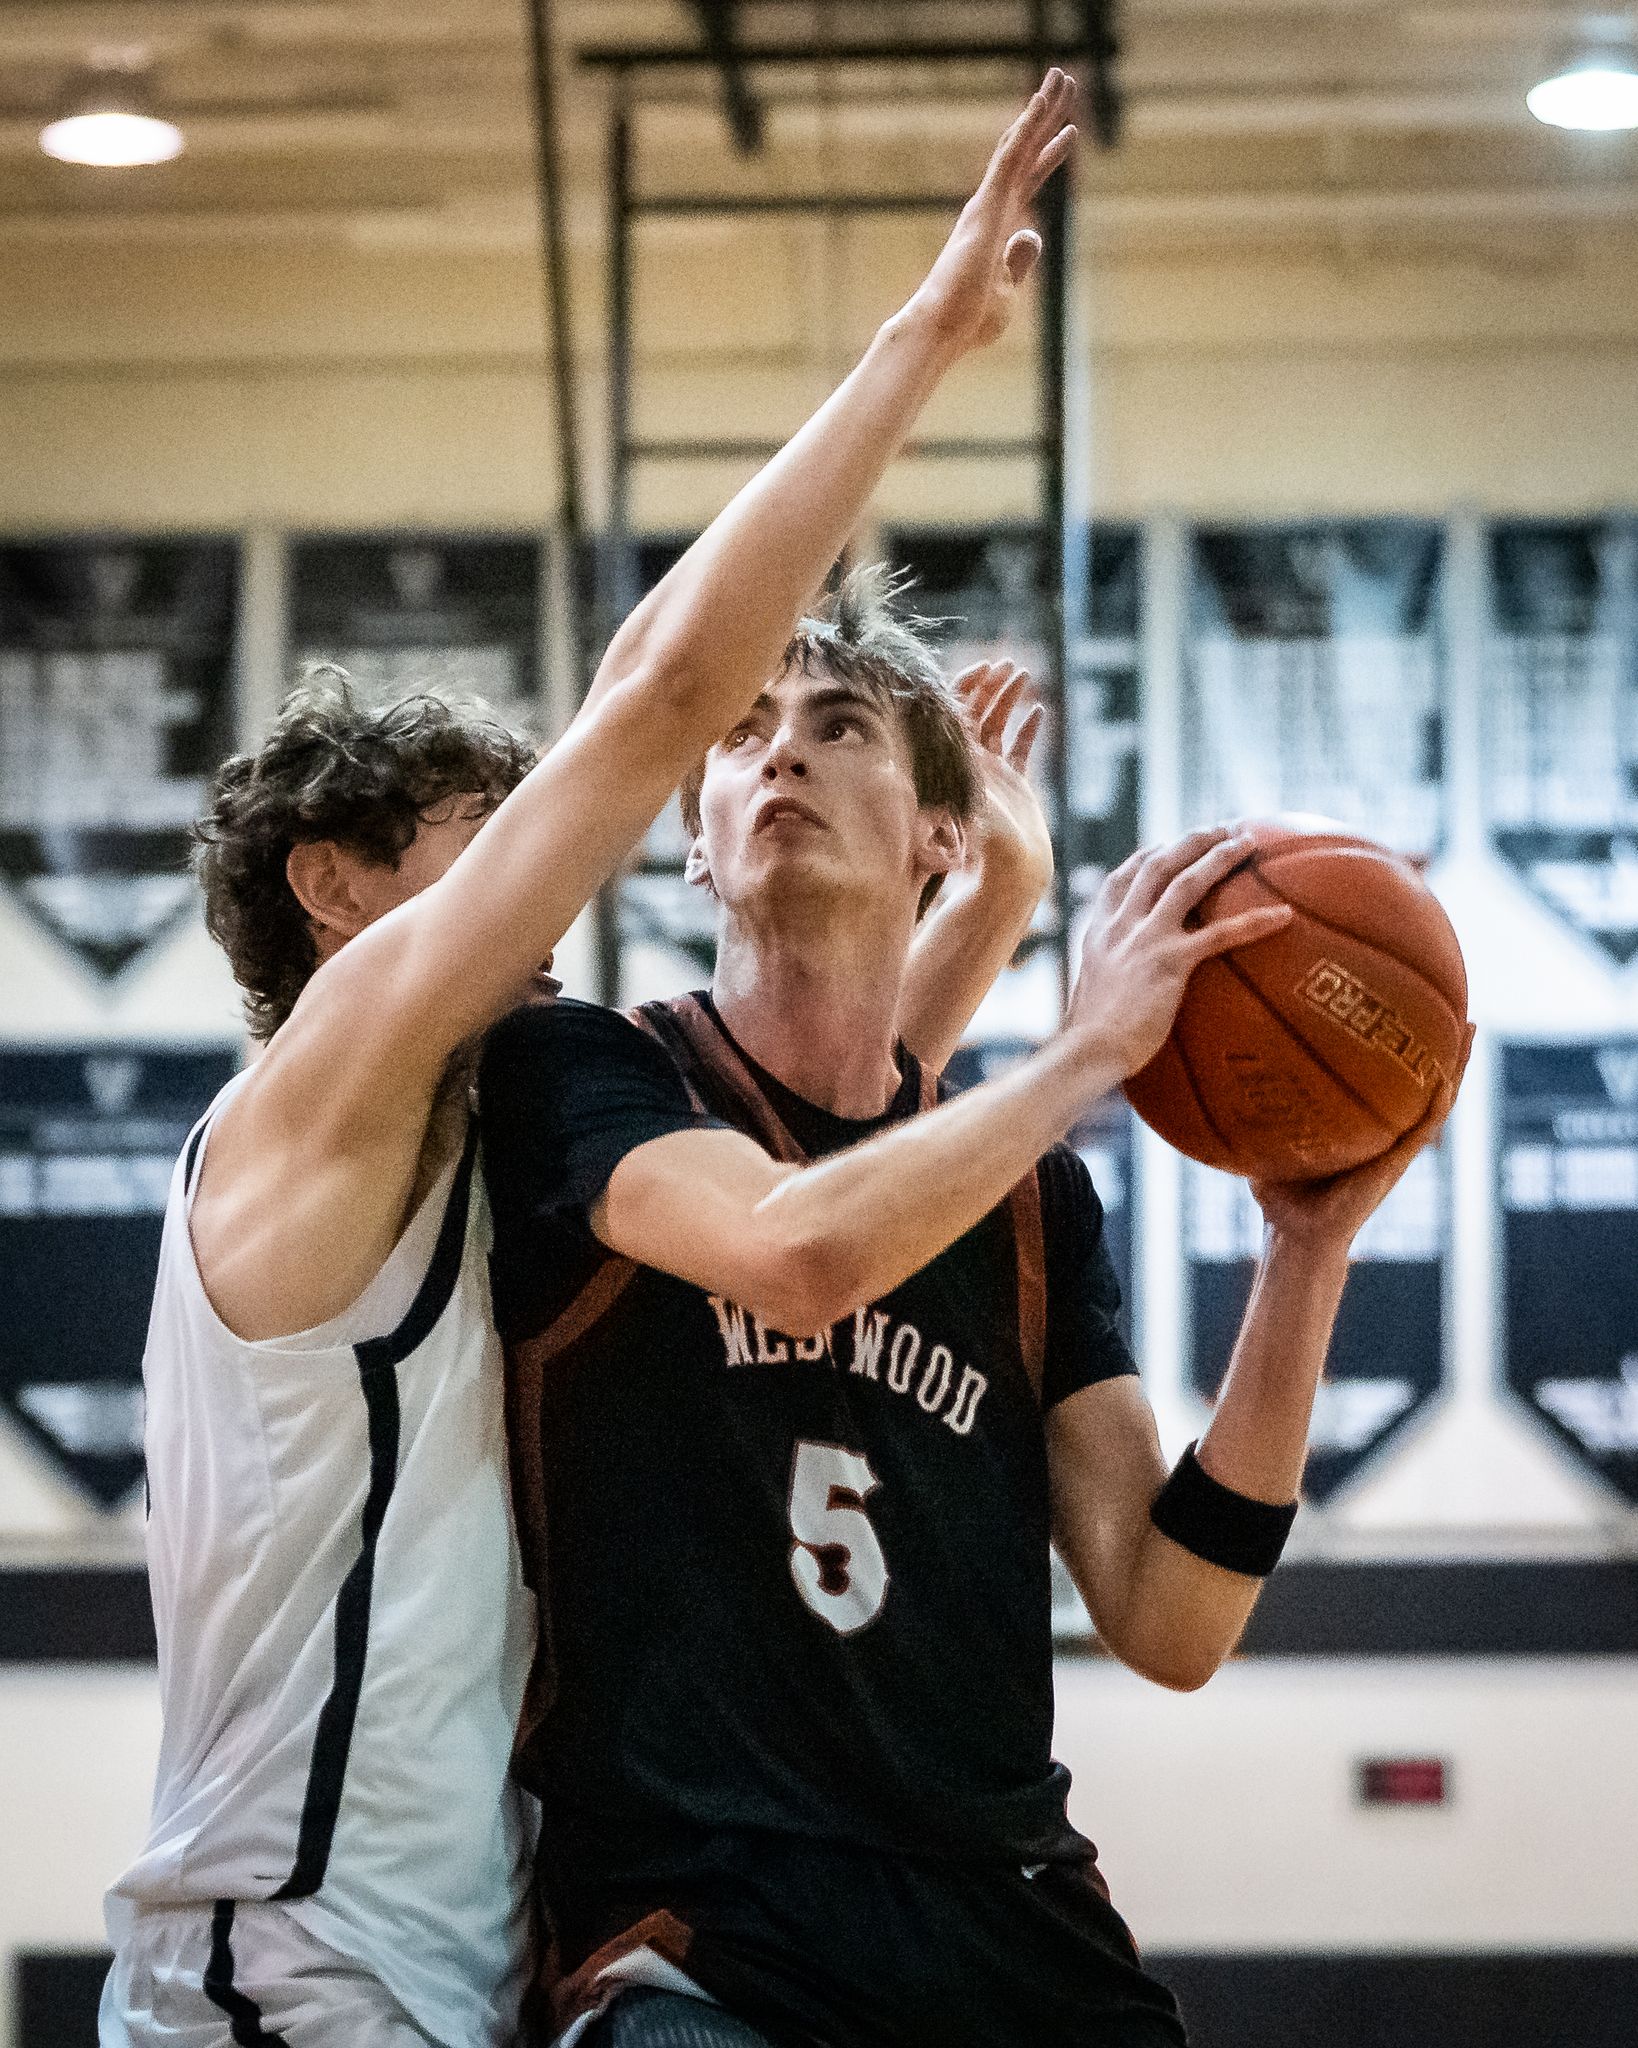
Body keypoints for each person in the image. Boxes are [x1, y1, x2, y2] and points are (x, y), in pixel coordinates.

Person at [98, 73, 1081, 2048]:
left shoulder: (485, 1134)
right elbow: (660, 696)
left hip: (439, 1978)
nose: (544, 901)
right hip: (284, 1979)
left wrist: (996, 895)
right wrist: (924, 342)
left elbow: (832, 1129)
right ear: (337, 891)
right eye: (487, 845)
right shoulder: (317, 1102)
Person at [478, 571, 1462, 2048]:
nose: (781, 750)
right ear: (693, 841)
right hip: (709, 1934)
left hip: (1003, 1920)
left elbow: (1172, 1615)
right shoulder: (585, 1077)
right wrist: (1083, 1050)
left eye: (838, 725)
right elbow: (805, 1250)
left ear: (943, 832)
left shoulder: (1027, 1201)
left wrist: (1303, 1253)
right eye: (742, 733)